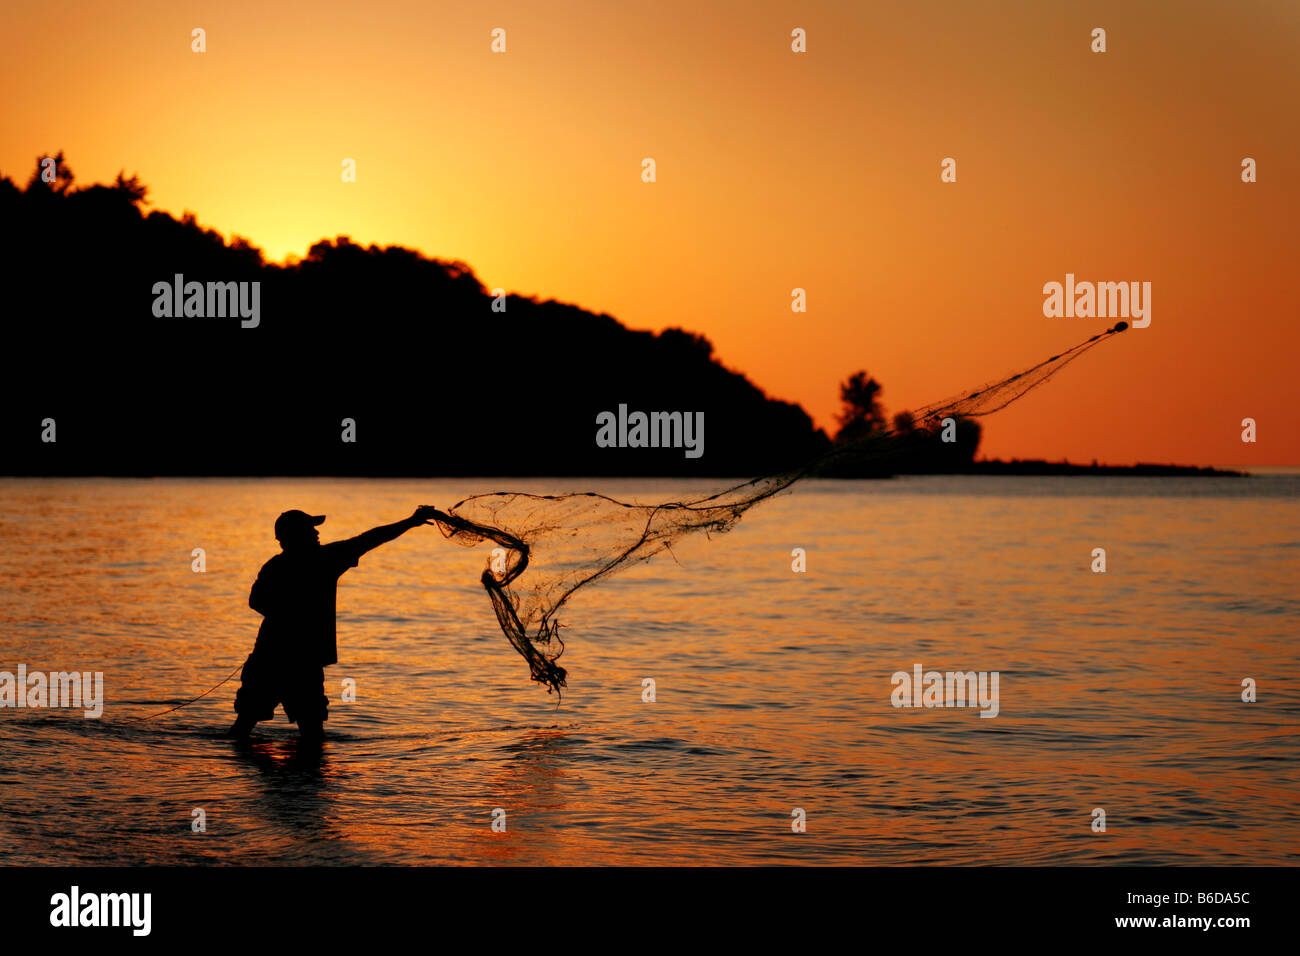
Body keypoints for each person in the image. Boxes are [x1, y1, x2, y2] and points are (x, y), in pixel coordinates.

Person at [228, 506, 439, 741]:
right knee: (311, 734)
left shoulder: (275, 566)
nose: (317, 534)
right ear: (295, 535)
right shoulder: (325, 560)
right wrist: (411, 522)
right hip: (300, 662)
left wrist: (284, 615)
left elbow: (255, 602)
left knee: (244, 729)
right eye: (311, 529)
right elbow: (370, 539)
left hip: (269, 657)